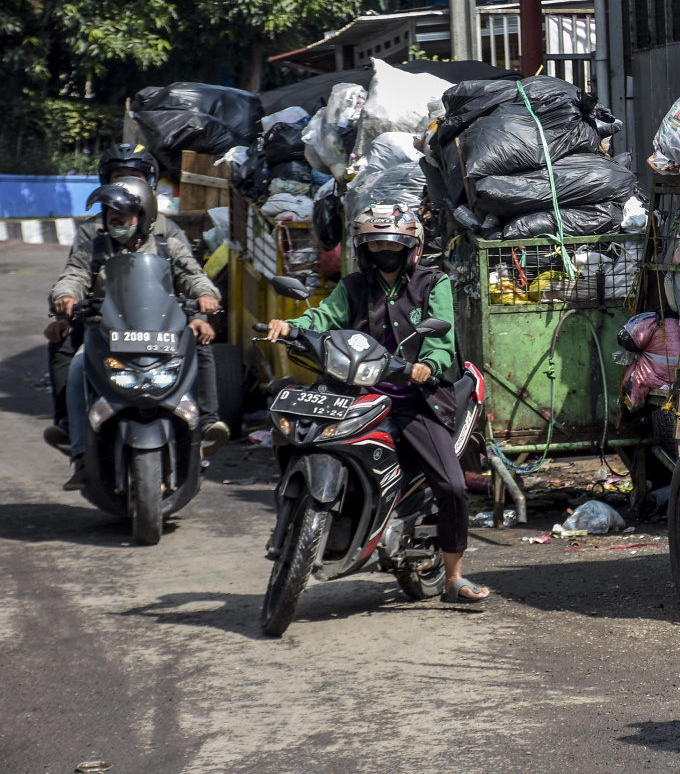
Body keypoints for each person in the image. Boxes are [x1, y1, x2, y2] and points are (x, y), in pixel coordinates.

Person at [265, 202, 490, 605]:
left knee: (453, 486)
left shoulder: (433, 284)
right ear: (362, 249)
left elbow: (443, 341)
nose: (383, 253)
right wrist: (291, 327)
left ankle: (454, 576)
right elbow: (322, 318)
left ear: (413, 249)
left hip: (411, 400)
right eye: (374, 246)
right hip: (353, 393)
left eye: (393, 245)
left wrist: (427, 366)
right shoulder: (352, 286)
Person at [44, 144, 226, 452]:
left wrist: (205, 296)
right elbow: (75, 274)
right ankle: (73, 439)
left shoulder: (166, 234)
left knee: (201, 336)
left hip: (161, 321)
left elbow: (190, 274)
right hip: (104, 323)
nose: (117, 215)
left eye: (133, 180)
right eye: (118, 179)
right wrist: (64, 298)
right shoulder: (93, 234)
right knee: (71, 358)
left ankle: (207, 421)